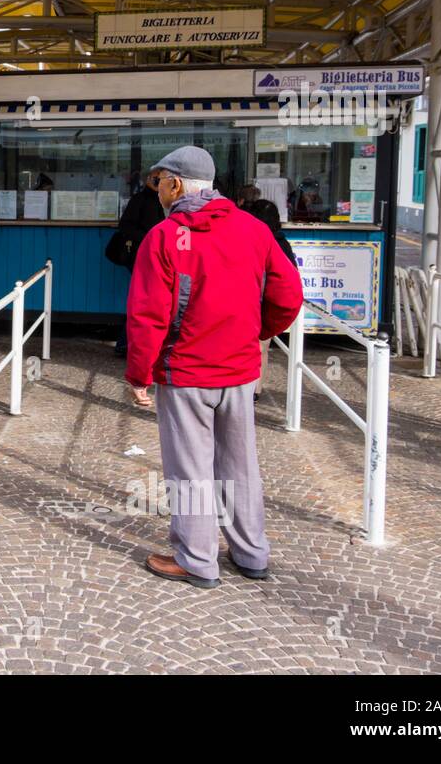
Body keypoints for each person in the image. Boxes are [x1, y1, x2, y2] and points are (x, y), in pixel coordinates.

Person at [125, 146, 303, 589]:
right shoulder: (254, 229)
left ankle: (197, 560)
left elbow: (149, 314)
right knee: (240, 465)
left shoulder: (165, 236)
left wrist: (139, 374)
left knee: (190, 469)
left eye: (161, 181)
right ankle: (251, 552)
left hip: (185, 372)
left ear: (177, 184)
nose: (159, 190)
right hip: (240, 371)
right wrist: (257, 334)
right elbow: (287, 296)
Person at [242, 198, 298, 399]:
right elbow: (290, 276)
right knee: (262, 347)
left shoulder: (249, 239)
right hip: (268, 304)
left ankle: (244, 389)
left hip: (249, 302)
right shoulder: (282, 243)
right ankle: (256, 391)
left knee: (245, 348)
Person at [107, 167, 165, 358]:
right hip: (141, 256)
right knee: (143, 300)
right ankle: (125, 343)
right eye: (156, 178)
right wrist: (150, 237)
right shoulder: (140, 200)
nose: (158, 181)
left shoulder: (163, 200)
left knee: (145, 299)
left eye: (161, 178)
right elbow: (126, 226)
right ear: (148, 179)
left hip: (155, 255)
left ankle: (128, 343)